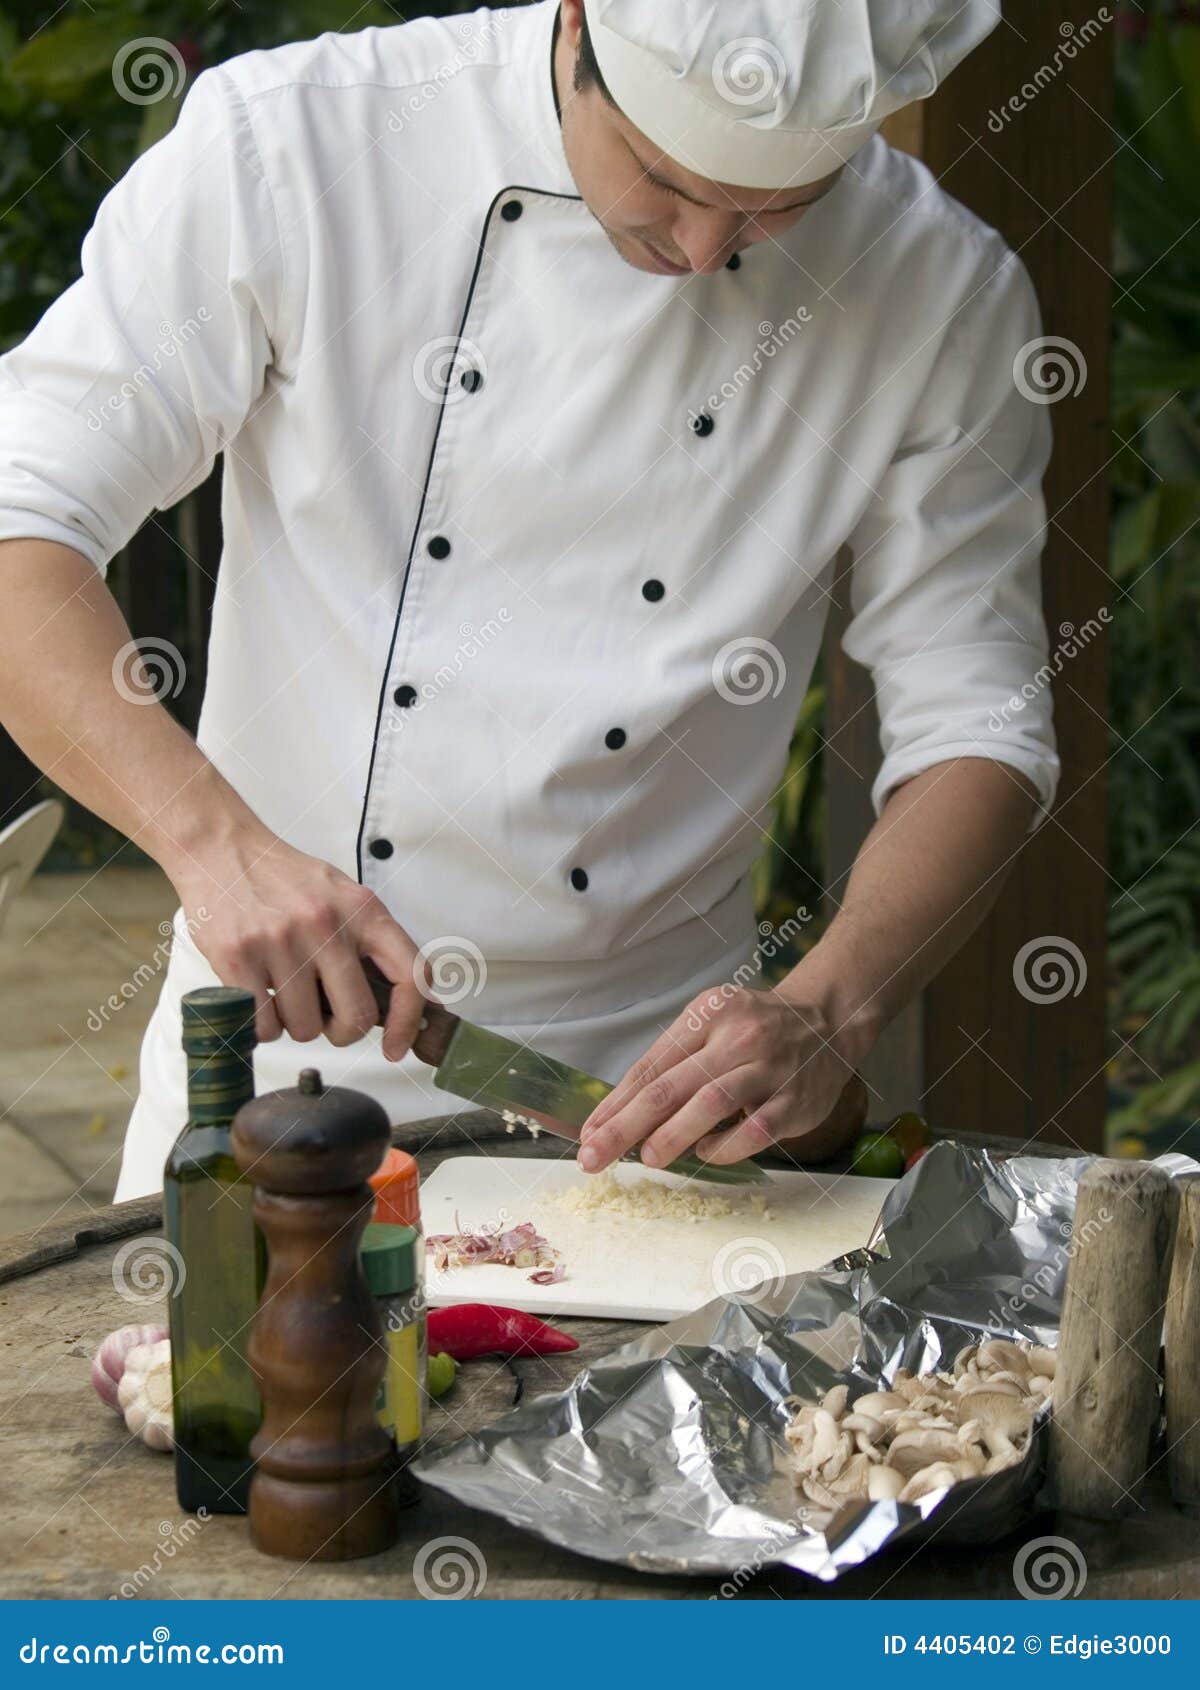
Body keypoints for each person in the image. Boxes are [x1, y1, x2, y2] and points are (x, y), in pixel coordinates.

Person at [0, 1, 1057, 1199]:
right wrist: (212, 844)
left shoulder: (941, 288)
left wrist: (828, 1008)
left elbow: (979, 726)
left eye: (777, 208)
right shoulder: (295, 145)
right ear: (576, 27)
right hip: (279, 1078)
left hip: (655, 1106)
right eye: (665, 177)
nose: (703, 248)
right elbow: (23, 518)